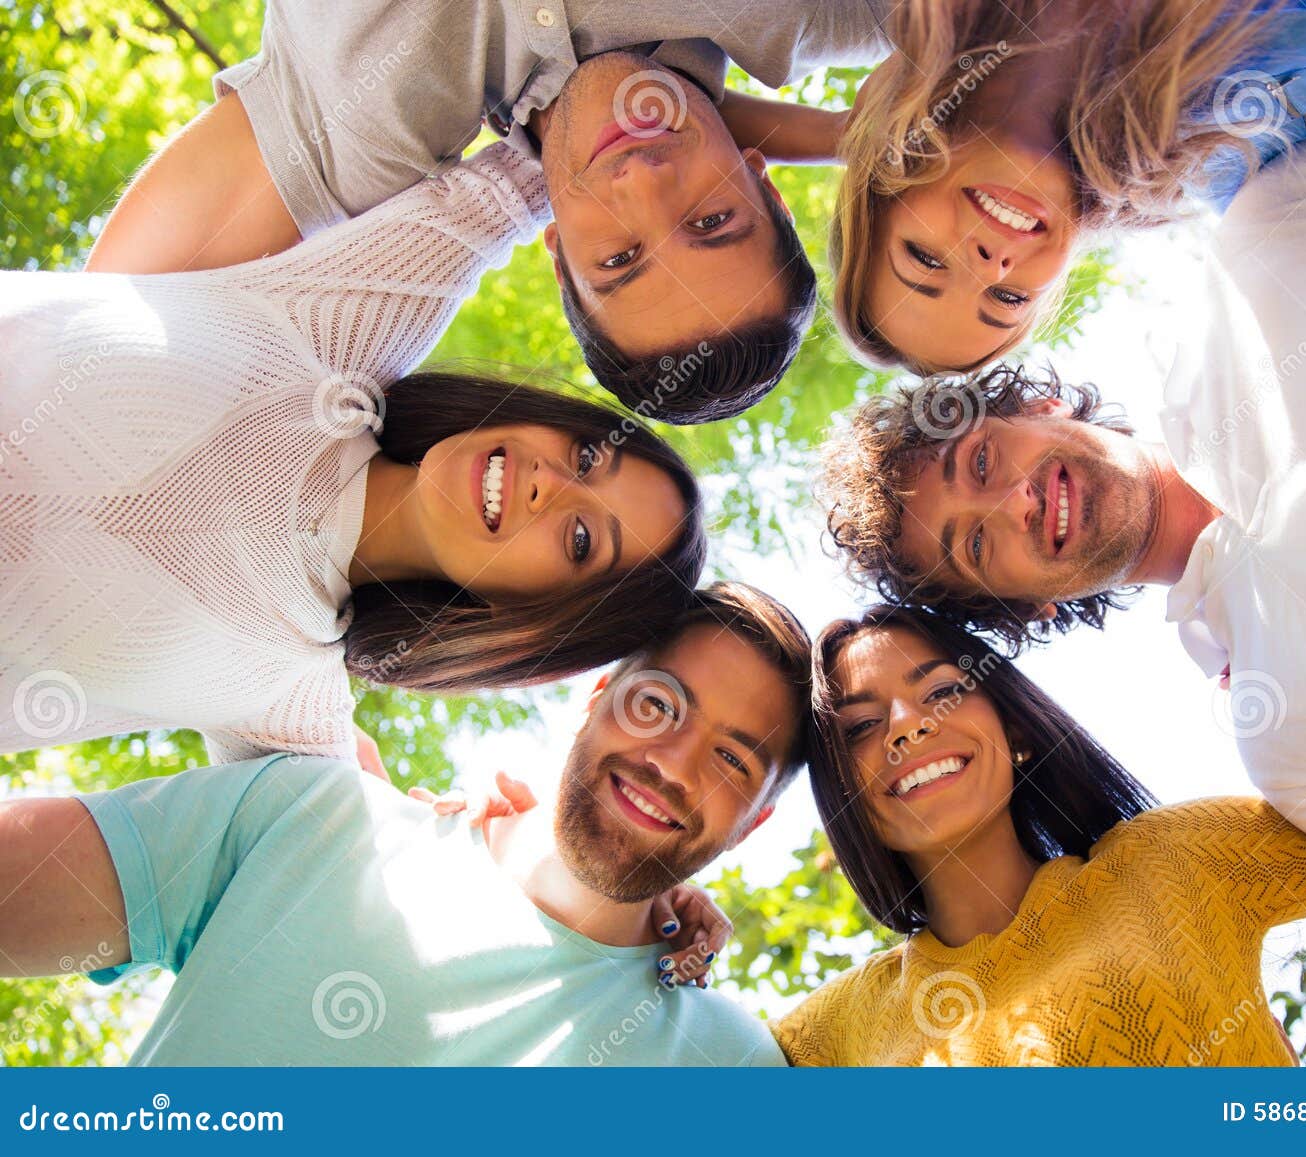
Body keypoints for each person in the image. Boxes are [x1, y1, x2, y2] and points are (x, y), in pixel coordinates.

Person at [817, 40, 1306, 1060]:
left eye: (980, 461)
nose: (1014, 503)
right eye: (976, 544)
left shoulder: (1264, 251)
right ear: (1029, 609)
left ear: (1037, 400)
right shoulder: (1301, 746)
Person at [0, 142, 704, 766]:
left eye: (581, 539)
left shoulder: (288, 707)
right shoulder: (337, 335)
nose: (552, 481)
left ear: (534, 620)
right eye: (586, 458)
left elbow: (319, 857)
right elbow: (566, 145)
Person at [0, 583, 811, 1066]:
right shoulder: (315, 816)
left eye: (731, 760)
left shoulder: (726, 1067)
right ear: (596, 698)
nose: (674, 764)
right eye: (659, 704)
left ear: (754, 822)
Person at [87, 1, 893, 421]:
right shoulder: (826, 15)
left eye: (620, 259)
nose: (643, 181)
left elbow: (97, 344)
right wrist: (850, 135)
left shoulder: (371, 123)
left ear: (557, 254)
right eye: (711, 221)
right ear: (760, 179)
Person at [831, 0, 1306, 373]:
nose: (991, 266)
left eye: (924, 260)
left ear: (884, 181)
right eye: (1006, 299)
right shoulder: (1249, 162)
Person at [772, 606, 1306, 1066]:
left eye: (942, 692)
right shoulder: (835, 1032)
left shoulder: (1172, 860)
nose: (909, 726)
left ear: (1015, 732)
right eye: (860, 727)